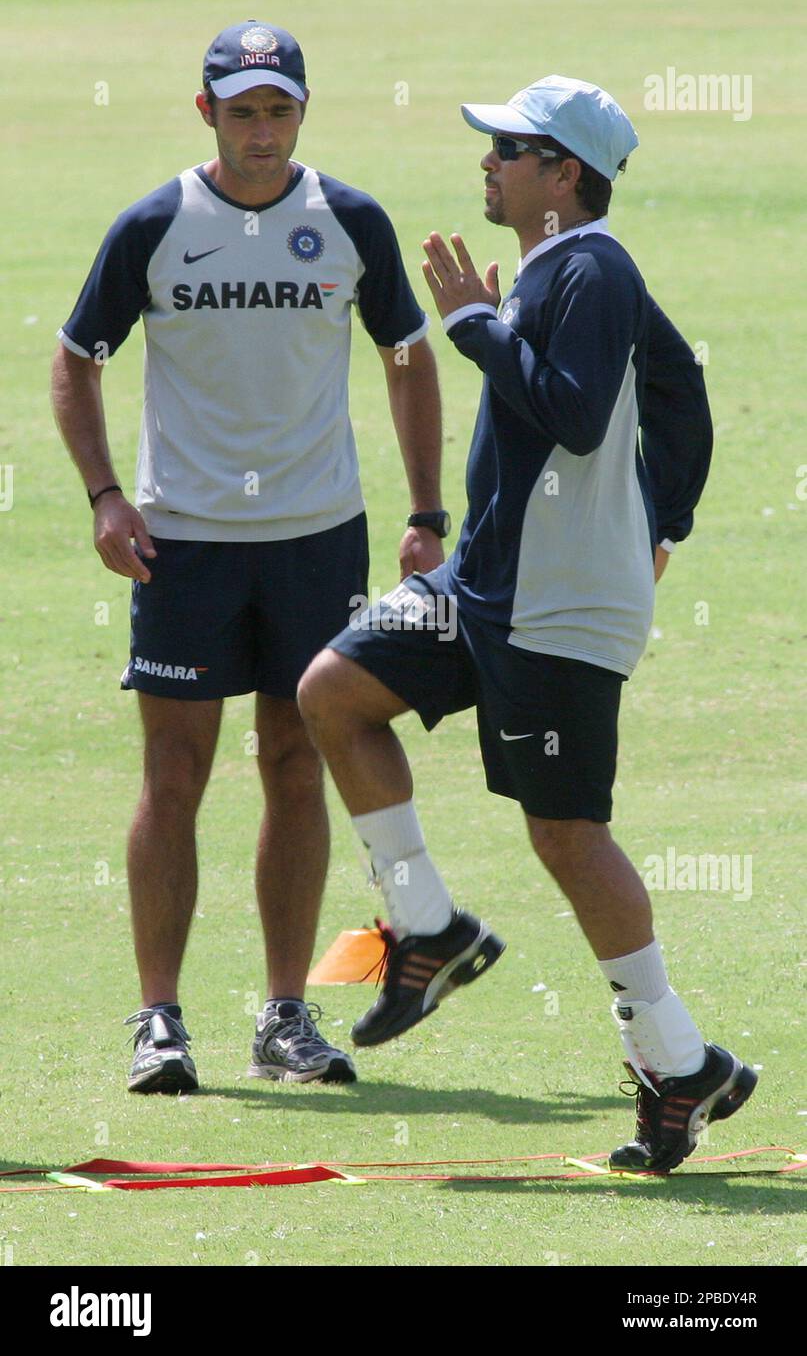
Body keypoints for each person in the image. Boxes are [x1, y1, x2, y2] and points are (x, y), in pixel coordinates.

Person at [297, 75, 757, 1172]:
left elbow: (574, 409)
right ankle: (429, 927)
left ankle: (676, 1062)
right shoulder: (571, 269)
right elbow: (680, 382)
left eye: (511, 147)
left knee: (565, 834)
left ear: (566, 176)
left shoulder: (593, 264)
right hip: (485, 584)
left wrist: (473, 329)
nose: (490, 162)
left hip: (556, 610)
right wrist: (667, 516)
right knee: (334, 693)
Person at [51, 20, 448, 1093]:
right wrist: (104, 498)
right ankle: (160, 1021)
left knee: (293, 763)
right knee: (173, 772)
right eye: (242, 112)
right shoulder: (157, 223)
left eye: (278, 111)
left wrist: (425, 509)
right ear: (207, 114)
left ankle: (283, 1015)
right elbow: (75, 359)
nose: (261, 132)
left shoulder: (350, 219)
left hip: (318, 541)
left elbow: (408, 358)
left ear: (302, 113)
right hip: (182, 544)